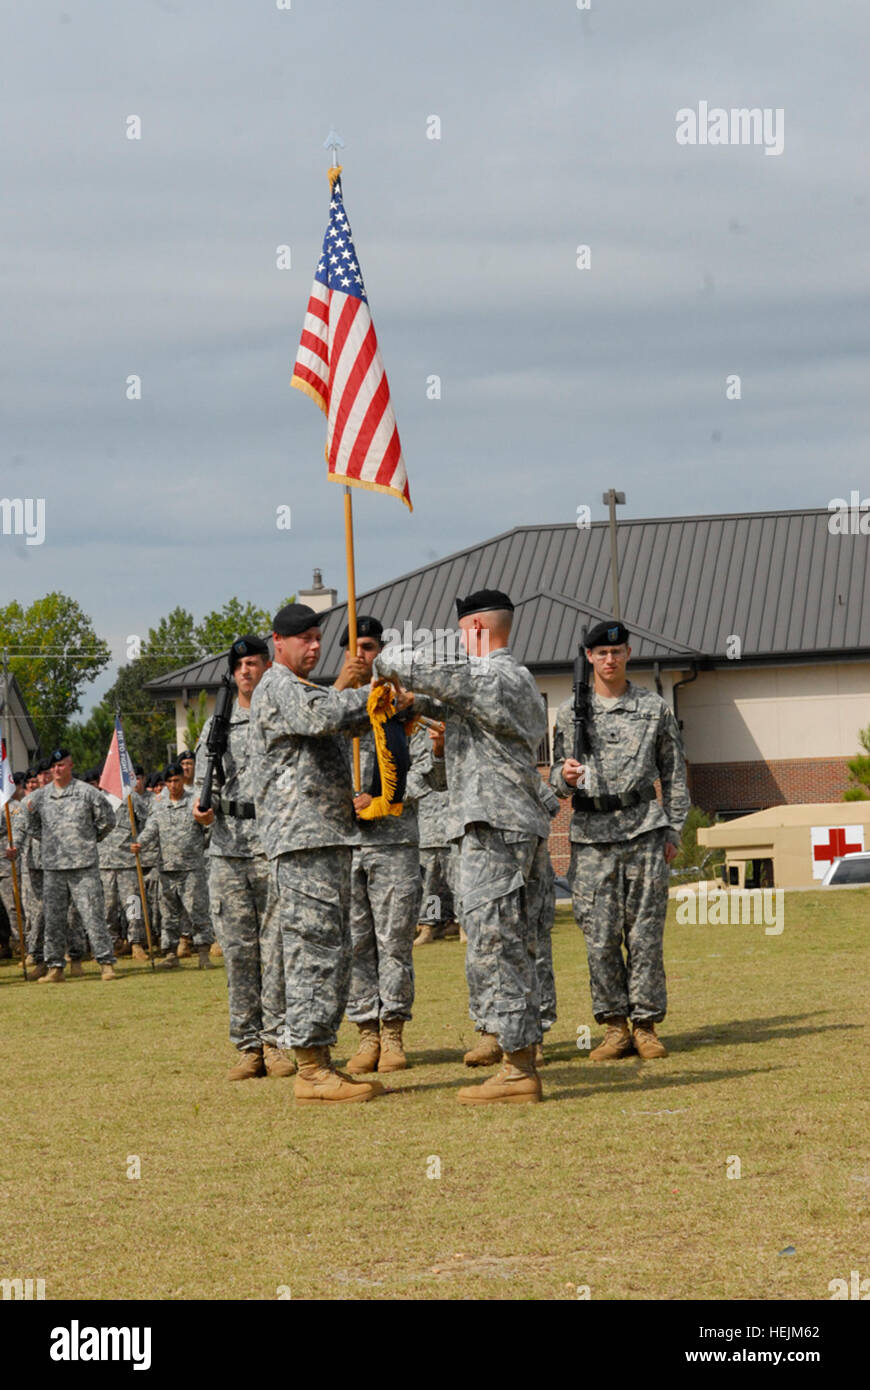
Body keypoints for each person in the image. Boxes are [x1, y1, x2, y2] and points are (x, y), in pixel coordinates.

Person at [375, 589, 549, 1104]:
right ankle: (518, 1055)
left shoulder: (496, 675)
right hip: (502, 822)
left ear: (474, 628)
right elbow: (443, 701)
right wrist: (411, 704)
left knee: (497, 944)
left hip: (495, 826)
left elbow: (437, 676)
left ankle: (518, 1069)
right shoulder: (496, 685)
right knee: (507, 941)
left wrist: (384, 661)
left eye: (459, 630)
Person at [248, 603, 388, 1104]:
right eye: (303, 638)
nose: (314, 646)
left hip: (325, 835)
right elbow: (322, 716)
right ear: (277, 642)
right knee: (312, 950)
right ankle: (309, 1067)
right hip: (301, 838)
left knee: (331, 950)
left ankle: (321, 1058)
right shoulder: (277, 686)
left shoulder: (305, 689)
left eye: (316, 638)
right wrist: (371, 693)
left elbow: (339, 720)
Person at [549, 619, 690, 1060]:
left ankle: (645, 1025)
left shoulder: (653, 708)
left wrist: (674, 829)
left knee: (645, 934)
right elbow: (555, 777)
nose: (609, 660)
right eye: (601, 653)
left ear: (627, 654)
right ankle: (614, 1027)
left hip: (644, 830)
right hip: (591, 837)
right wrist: (564, 777)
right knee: (600, 935)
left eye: (617, 652)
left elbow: (674, 772)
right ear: (589, 657)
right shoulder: (570, 711)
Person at [333, 616, 444, 1075]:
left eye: (372, 647)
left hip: (394, 841)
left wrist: (381, 799)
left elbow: (428, 775)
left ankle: (394, 1031)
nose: (364, 655)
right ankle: (366, 1034)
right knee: (356, 942)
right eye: (356, 647)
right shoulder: (331, 707)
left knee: (394, 941)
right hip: (346, 843)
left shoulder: (403, 707)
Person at [193, 634, 292, 1081]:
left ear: (268, 666)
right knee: (238, 951)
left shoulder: (282, 715)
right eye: (240, 666)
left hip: (273, 843)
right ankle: (248, 1047)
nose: (246, 671)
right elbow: (203, 784)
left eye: (253, 663)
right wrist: (202, 808)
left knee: (277, 950)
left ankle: (278, 1042)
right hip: (230, 849)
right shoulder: (218, 726)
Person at [13, 749, 117, 983]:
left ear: (71, 765)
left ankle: (106, 963)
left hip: (84, 866)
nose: (58, 770)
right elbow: (24, 818)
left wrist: (91, 839)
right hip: (53, 867)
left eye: (62, 765)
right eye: (54, 766)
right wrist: (44, 838)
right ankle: (55, 967)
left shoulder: (87, 792)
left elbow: (108, 820)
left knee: (93, 915)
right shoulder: (40, 797)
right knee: (53, 920)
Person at [131, 763, 214, 969]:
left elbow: (208, 826)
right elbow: (152, 828)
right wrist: (140, 842)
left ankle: (203, 954)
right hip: (167, 868)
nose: (173, 785)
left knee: (197, 911)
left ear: (182, 780)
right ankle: (170, 955)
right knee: (168, 915)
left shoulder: (194, 800)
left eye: (176, 780)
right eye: (169, 781)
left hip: (191, 868)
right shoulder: (159, 804)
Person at [413, 719, 462, 945]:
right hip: (427, 819)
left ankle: (462, 924)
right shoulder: (415, 730)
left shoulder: (456, 722)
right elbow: (414, 768)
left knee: (458, 879)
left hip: (455, 817)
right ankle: (430, 925)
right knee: (430, 882)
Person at [99, 766, 152, 961]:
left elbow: (148, 823)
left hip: (127, 861)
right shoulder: (98, 800)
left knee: (133, 904)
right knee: (107, 907)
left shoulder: (132, 798)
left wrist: (140, 842)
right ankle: (111, 943)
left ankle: (136, 943)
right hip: (104, 864)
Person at [0, 772, 28, 960]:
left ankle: (22, 944)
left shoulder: (15, 808)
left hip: (7, 864)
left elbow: (19, 833)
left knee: (13, 906)